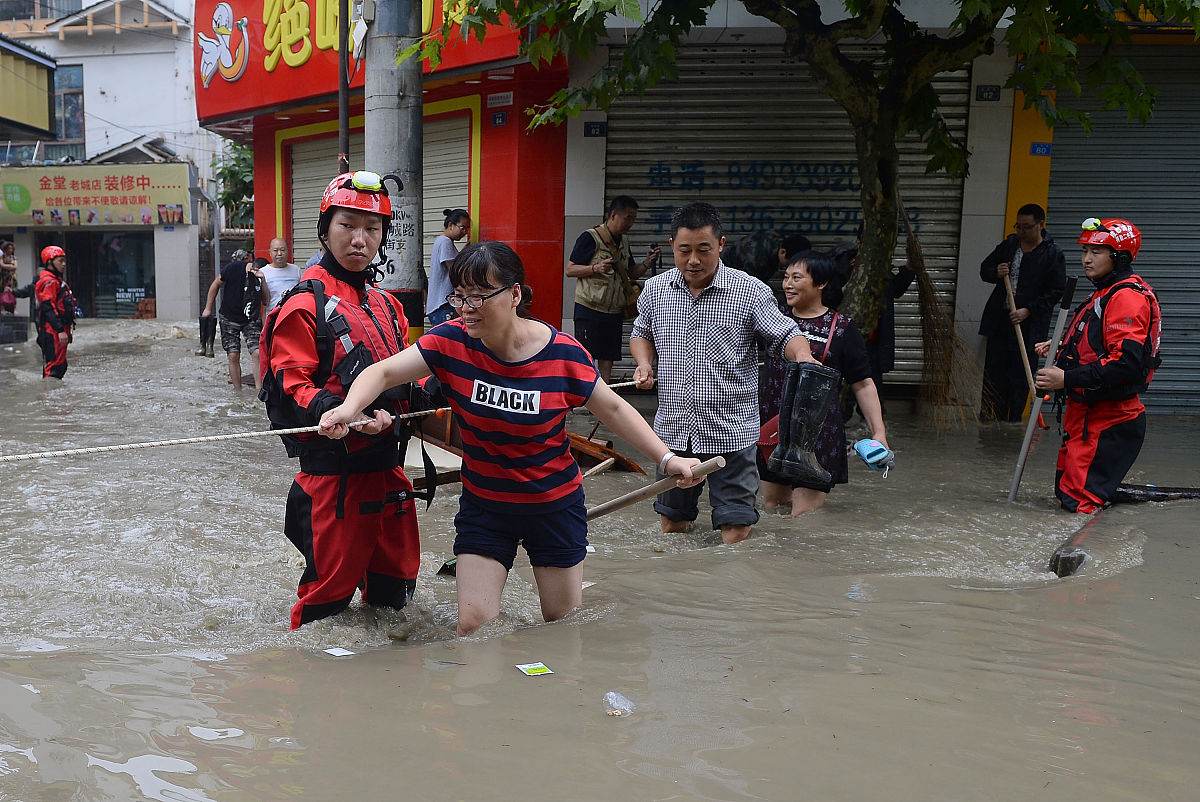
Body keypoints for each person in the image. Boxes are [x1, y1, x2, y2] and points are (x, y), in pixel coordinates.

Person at [318, 240, 702, 636]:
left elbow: (617, 411)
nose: (467, 309)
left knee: (562, 625)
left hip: (553, 507)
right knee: (474, 628)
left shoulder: (563, 355)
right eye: (460, 297)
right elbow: (381, 373)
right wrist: (348, 410)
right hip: (486, 507)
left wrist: (668, 459)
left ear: (515, 294)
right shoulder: (451, 341)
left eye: (480, 297)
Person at [260, 170, 422, 629]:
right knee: (324, 605)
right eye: (347, 226)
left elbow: (408, 376)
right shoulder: (303, 303)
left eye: (372, 229)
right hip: (335, 480)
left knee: (395, 596)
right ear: (325, 229)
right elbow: (293, 381)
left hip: (388, 472)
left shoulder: (387, 305)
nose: (360, 239)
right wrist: (337, 412)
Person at [631, 202, 816, 545]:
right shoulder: (655, 290)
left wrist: (804, 356)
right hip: (672, 435)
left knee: (737, 531)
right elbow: (641, 333)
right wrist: (644, 363)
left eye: (704, 249)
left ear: (721, 245)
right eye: (684, 251)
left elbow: (787, 334)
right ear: (672, 245)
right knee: (673, 528)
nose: (694, 260)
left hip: (731, 433)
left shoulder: (749, 290)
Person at [1035, 218, 1161, 514]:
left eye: (1097, 252)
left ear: (1119, 257)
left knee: (1079, 504)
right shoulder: (1105, 292)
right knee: (1066, 495)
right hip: (1086, 418)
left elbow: (1125, 365)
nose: (1086, 259)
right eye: (1085, 251)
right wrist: (1061, 348)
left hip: (1108, 420)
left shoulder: (1126, 297)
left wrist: (1064, 378)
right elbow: (1098, 344)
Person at [758, 250, 889, 515]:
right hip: (772, 429)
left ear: (821, 283)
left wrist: (879, 433)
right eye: (785, 277)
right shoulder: (773, 319)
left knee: (804, 517)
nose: (788, 284)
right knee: (772, 508)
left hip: (819, 435)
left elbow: (863, 383)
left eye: (797, 277)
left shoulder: (842, 328)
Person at [979, 204, 1066, 421]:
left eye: (1027, 227)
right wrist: (996, 272)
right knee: (994, 371)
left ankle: (1013, 420)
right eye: (1019, 226)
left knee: (1020, 374)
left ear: (1041, 225)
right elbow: (985, 270)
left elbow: (1056, 290)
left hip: (1029, 325)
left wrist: (1029, 310)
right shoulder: (1009, 246)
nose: (1022, 232)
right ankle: (990, 418)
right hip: (1001, 320)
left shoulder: (1052, 253)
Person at [566, 196, 661, 382]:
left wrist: (647, 262)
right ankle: (585, 397)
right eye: (628, 217)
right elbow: (570, 270)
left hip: (614, 310)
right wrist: (595, 268)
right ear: (613, 215)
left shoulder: (624, 242)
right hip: (590, 308)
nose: (631, 223)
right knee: (586, 355)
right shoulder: (590, 237)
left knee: (608, 357)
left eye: (633, 218)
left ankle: (604, 395)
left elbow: (630, 274)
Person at [201, 248, 264, 391]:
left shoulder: (262, 276)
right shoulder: (234, 268)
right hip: (229, 316)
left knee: (257, 352)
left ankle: (259, 391)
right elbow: (215, 285)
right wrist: (208, 308)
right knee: (233, 354)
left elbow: (266, 299)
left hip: (250, 318)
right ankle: (238, 391)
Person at [33, 245, 77, 378]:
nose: (63, 264)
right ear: (50, 263)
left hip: (59, 329)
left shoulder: (56, 281)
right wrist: (60, 330)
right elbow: (48, 307)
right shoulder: (49, 282)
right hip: (53, 331)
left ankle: (55, 396)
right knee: (54, 367)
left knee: (60, 366)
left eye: (64, 261)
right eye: (60, 261)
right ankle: (48, 397)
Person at [426, 209, 470, 327]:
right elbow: (454, 271)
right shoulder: (445, 242)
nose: (465, 232)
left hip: (440, 305)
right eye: (463, 228)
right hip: (443, 304)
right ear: (451, 225)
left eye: (467, 229)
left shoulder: (441, 241)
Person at [260, 238, 302, 310]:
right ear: (270, 252)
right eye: (275, 250)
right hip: (273, 316)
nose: (279, 253)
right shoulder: (263, 273)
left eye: (282, 250)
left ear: (288, 251)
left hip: (293, 313)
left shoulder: (296, 270)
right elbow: (265, 302)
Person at [1, 241, 18, 315]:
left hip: (12, 278)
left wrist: (7, 266)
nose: (10, 250)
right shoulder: (2, 257)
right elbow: (1, 265)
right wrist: (10, 266)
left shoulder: (14, 257)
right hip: (3, 277)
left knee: (14, 292)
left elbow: (15, 266)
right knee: (2, 292)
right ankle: (2, 308)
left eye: (11, 248)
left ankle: (15, 309)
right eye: (8, 248)